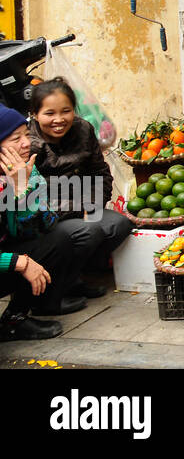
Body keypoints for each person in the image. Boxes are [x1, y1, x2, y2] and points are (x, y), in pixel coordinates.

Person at [0, 105, 100, 340]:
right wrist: (20, 262)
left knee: (58, 239)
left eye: (26, 135)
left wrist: (21, 193)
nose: (26, 143)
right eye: (16, 139)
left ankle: (15, 319)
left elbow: (45, 225)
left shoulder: (27, 172)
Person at [29, 78, 131, 290]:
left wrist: (92, 206)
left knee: (118, 225)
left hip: (82, 206)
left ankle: (74, 277)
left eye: (65, 111)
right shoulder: (28, 143)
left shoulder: (83, 129)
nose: (58, 119)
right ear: (35, 115)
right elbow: (29, 195)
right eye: (49, 113)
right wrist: (79, 211)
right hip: (45, 219)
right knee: (89, 230)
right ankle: (54, 287)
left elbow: (99, 172)